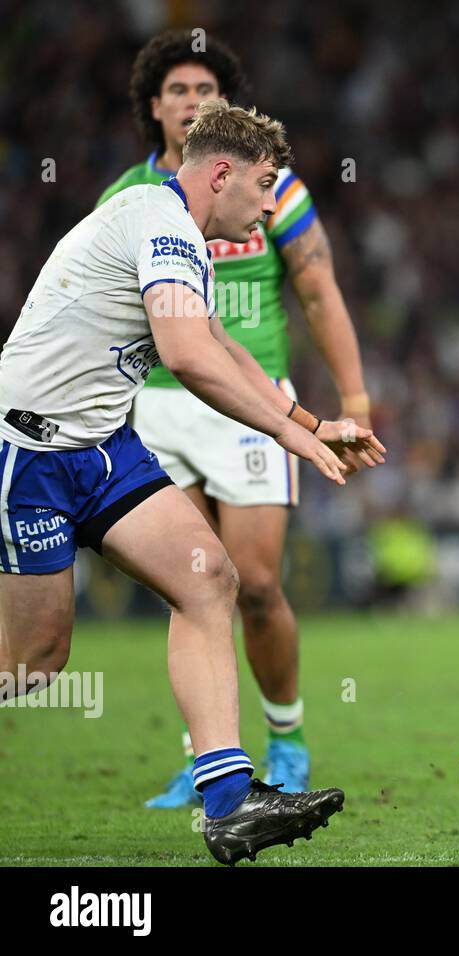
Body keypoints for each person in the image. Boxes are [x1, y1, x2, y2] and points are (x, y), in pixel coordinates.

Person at [0, 99, 385, 864]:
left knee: (209, 578)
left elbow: (221, 345)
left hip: (102, 447)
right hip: (30, 451)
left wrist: (311, 424)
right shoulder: (158, 220)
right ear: (221, 174)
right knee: (35, 661)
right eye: (265, 185)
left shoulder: (181, 236)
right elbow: (186, 356)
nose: (270, 205)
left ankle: (229, 804)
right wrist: (286, 435)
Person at [95, 31, 372, 805]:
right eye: (178, 91)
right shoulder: (130, 196)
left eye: (206, 91)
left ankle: (286, 739)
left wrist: (351, 400)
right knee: (191, 583)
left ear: (225, 108)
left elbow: (317, 289)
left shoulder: (270, 189)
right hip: (159, 402)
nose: (192, 101)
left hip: (253, 400)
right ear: (153, 107)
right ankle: (208, 756)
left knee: (255, 582)